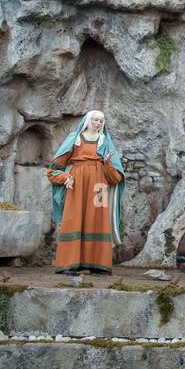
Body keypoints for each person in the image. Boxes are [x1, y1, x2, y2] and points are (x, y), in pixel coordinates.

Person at [46, 110, 125, 275]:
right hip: (77, 184)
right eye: (95, 120)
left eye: (101, 121)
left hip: (99, 186)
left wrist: (108, 163)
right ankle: (70, 263)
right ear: (88, 121)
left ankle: (97, 264)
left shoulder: (106, 143)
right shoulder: (74, 140)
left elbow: (116, 177)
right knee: (74, 218)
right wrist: (65, 177)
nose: (98, 123)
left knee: (98, 219)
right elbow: (53, 169)